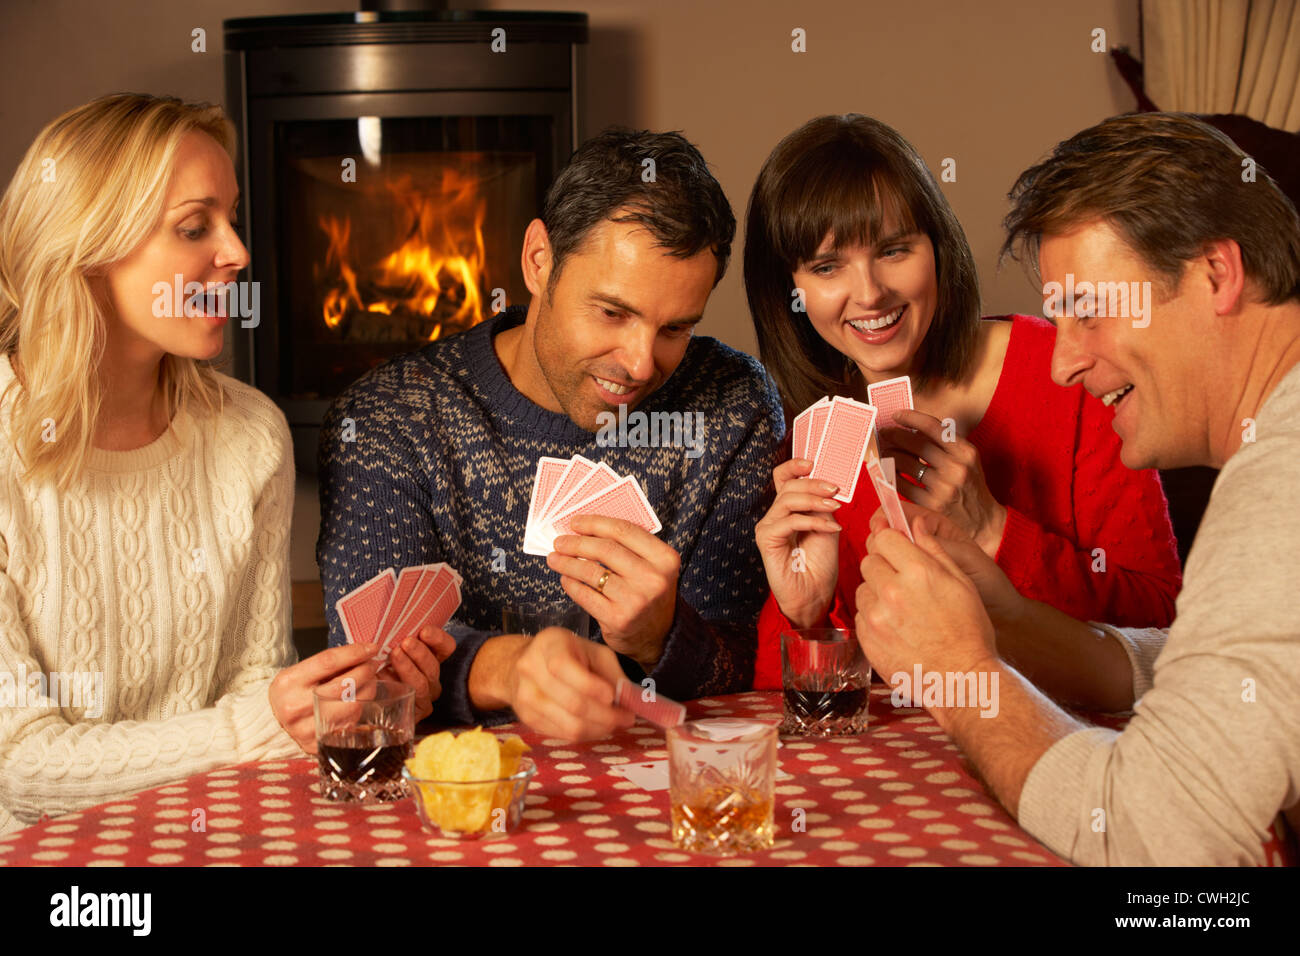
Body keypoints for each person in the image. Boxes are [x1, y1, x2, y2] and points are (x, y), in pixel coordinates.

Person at [854, 111, 1300, 865]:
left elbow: (1148, 836)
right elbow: (1241, 675)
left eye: (1088, 312)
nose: (1063, 365)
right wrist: (1014, 623)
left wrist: (963, 675)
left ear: (1216, 274)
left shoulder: (1281, 480)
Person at [0, 94, 449, 835]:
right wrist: (262, 727)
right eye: (193, 226)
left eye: (231, 217)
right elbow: (19, 762)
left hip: (216, 834)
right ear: (86, 245)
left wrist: (351, 706)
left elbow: (253, 686)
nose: (237, 251)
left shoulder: (250, 436)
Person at [317, 128, 782, 742]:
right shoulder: (389, 419)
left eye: (675, 328)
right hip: (459, 801)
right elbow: (370, 668)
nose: (641, 364)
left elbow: (745, 671)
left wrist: (663, 637)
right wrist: (507, 670)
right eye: (613, 313)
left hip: (661, 788)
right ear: (539, 261)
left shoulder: (732, 405)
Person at [744, 114, 1181, 689]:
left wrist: (994, 529)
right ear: (790, 291)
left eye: (894, 250)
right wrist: (804, 615)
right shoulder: (812, 434)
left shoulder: (1069, 370)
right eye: (827, 267)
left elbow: (1164, 631)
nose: (871, 292)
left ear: (938, 247)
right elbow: (791, 718)